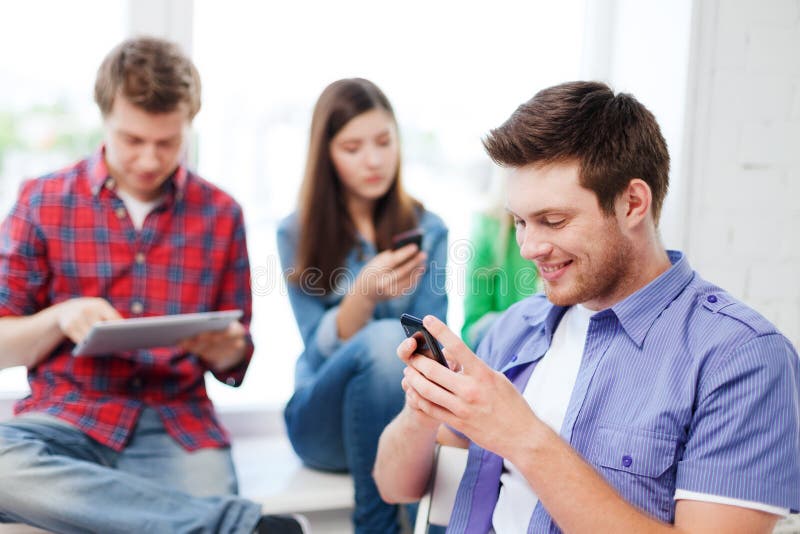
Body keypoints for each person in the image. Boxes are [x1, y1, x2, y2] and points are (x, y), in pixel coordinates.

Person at [374, 81, 800, 533]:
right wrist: (421, 411)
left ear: (633, 202)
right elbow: (394, 486)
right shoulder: (516, 328)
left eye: (552, 221)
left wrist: (521, 435)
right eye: (519, 221)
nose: (530, 246)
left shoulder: (741, 359)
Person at [0, 37, 306, 533]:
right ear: (104, 118)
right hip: (67, 416)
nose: (148, 159)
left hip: (176, 426)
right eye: (131, 140)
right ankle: (236, 528)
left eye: (167, 143)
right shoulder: (42, 200)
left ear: (189, 123)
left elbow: (238, 360)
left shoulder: (221, 214)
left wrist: (225, 349)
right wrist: (59, 316)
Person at [277, 78, 448, 533]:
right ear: (326, 155)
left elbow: (437, 343)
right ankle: (376, 527)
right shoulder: (296, 233)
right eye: (352, 147)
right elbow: (316, 352)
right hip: (322, 424)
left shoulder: (429, 230)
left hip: (405, 419)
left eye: (383, 142)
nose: (373, 160)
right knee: (377, 342)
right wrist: (363, 295)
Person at [461, 174, 539, 350]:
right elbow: (471, 329)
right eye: (521, 222)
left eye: (554, 221)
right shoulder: (489, 226)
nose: (529, 250)